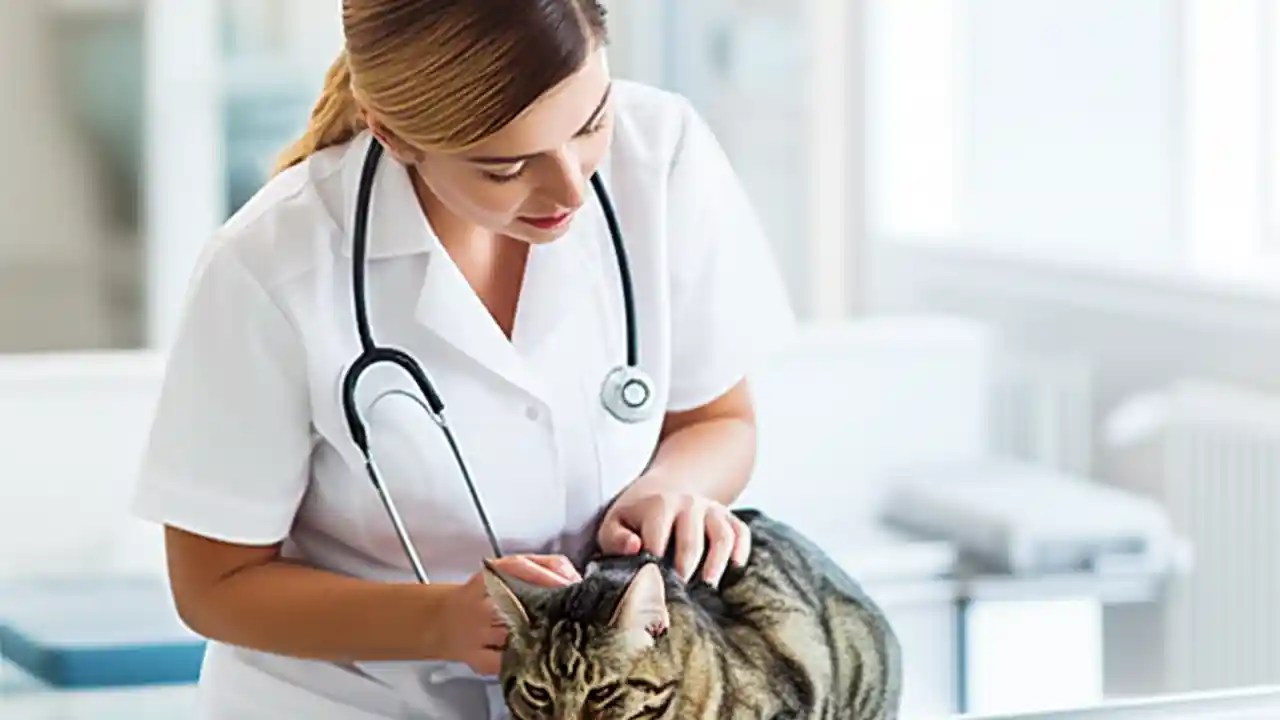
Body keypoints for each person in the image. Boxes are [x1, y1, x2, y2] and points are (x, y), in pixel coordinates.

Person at [130, 1, 794, 717]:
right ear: (394, 134)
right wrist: (438, 621)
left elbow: (719, 419)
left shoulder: (661, 153)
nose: (572, 186)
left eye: (591, 122)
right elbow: (215, 586)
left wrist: (673, 486)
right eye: (506, 166)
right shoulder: (270, 266)